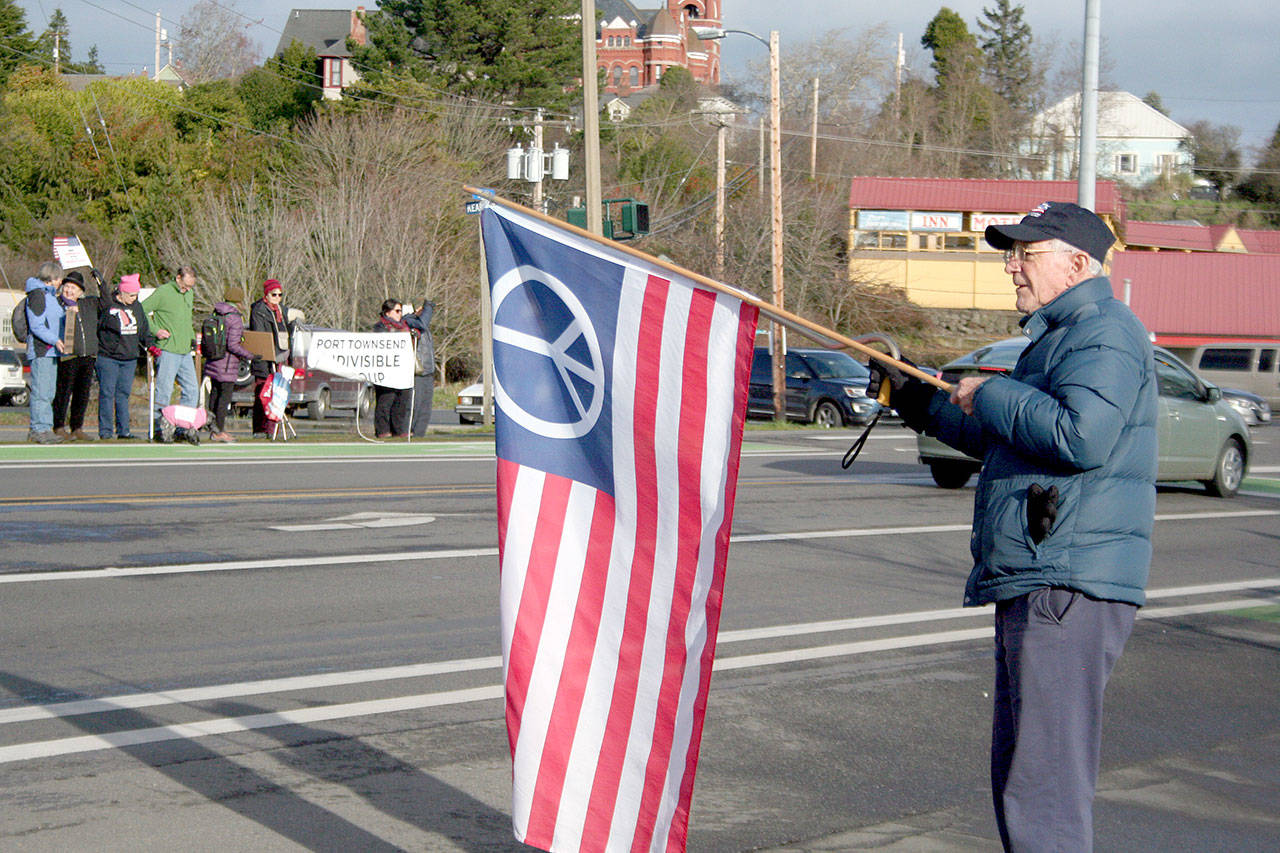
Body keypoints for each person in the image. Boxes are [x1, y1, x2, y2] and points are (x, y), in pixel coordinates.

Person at [867, 202, 1158, 852]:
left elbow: (1081, 436)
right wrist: (915, 397)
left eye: (1027, 253)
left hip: (1066, 582)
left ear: (1078, 264)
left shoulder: (1104, 331)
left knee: (1042, 785)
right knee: (1024, 774)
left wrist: (993, 392)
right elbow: (1008, 436)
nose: (1011, 266)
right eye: (1011, 253)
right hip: (1043, 576)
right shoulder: (1059, 337)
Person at [142, 265, 198, 442]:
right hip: (167, 350)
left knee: (192, 389)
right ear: (178, 278)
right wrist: (155, 330)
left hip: (185, 350)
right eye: (185, 286)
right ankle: (159, 427)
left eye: (190, 287)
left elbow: (187, 319)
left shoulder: (189, 294)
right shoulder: (163, 292)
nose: (187, 289)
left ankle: (183, 427)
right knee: (164, 390)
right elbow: (142, 310)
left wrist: (192, 339)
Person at [95, 273, 154, 440]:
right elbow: (103, 299)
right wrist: (101, 284)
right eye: (131, 295)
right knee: (107, 393)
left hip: (129, 358)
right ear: (122, 293)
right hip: (109, 357)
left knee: (123, 394)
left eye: (136, 295)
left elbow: (143, 329)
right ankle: (106, 431)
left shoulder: (137, 307)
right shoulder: (109, 304)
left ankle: (124, 430)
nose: (134, 298)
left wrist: (150, 344)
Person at [202, 286, 255, 442]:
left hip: (213, 361)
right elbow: (233, 345)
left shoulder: (217, 312)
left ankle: (212, 428)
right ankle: (219, 431)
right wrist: (250, 355)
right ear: (238, 301)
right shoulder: (235, 318)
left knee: (214, 395)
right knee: (224, 399)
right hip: (227, 365)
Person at [52, 271, 100, 441]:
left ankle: (77, 427)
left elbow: (107, 303)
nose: (69, 291)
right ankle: (58, 426)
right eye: (67, 287)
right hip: (68, 355)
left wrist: (100, 282)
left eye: (73, 288)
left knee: (82, 393)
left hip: (88, 355)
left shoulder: (88, 304)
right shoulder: (57, 304)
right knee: (63, 392)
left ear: (80, 292)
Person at [24, 260, 66, 444]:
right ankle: (38, 429)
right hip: (42, 350)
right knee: (41, 391)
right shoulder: (37, 295)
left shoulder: (51, 296)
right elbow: (37, 325)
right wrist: (54, 340)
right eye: (58, 278)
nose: (60, 282)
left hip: (52, 352)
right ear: (50, 278)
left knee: (49, 392)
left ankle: (45, 427)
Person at [248, 279, 293, 437]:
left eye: (280, 295)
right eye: (274, 294)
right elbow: (261, 336)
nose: (277, 298)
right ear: (266, 295)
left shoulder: (282, 311)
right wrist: (268, 355)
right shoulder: (259, 310)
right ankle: (260, 429)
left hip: (280, 358)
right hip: (265, 359)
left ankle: (272, 429)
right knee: (264, 393)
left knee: (278, 393)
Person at [371, 299, 412, 438]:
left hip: (402, 370)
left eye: (401, 311)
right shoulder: (380, 327)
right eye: (397, 311)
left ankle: (398, 430)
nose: (400, 314)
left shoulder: (405, 326)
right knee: (386, 401)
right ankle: (383, 430)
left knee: (401, 401)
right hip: (386, 371)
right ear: (388, 312)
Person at [403, 298, 436, 437]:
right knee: (415, 406)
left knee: (425, 407)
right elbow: (422, 323)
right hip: (417, 372)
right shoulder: (408, 321)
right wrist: (428, 307)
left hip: (428, 371)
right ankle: (409, 431)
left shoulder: (419, 323)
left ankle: (419, 434)